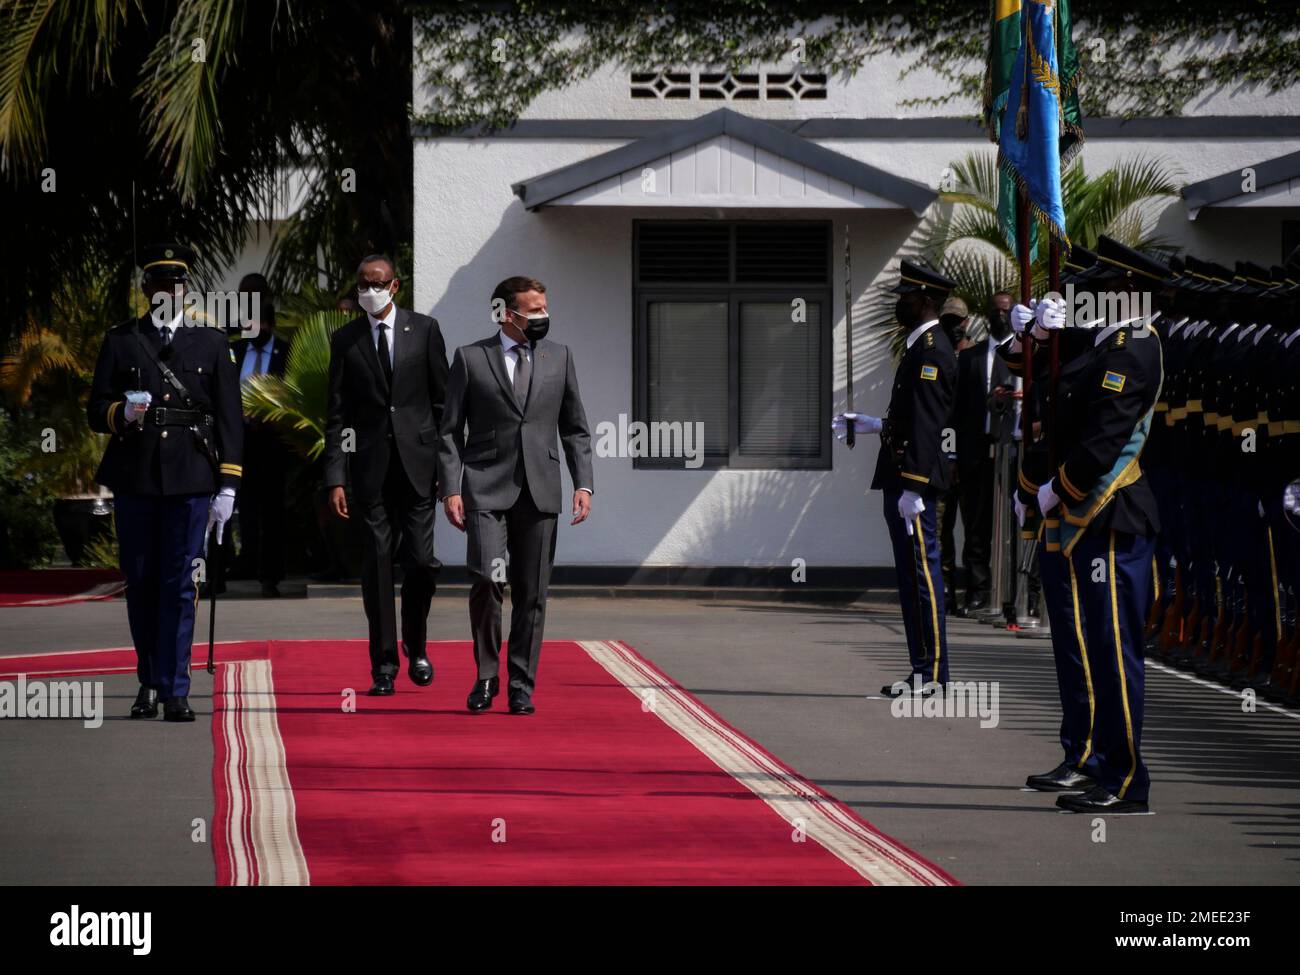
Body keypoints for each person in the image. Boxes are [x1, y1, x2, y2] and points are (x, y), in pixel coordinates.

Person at [1014, 236, 1165, 814]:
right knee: (1089, 646)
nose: (1087, 294)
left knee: (1111, 648)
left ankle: (1127, 780)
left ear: (1125, 293)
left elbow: (1103, 439)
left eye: (1102, 285)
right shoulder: (1105, 342)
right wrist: (1037, 335)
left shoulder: (1132, 348)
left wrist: (1053, 490)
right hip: (1086, 517)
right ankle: (1098, 763)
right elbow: (1052, 388)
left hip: (1110, 515)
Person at [87, 243, 243, 722]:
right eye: (158, 285)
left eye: (175, 286)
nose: (167, 293)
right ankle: (148, 682)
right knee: (142, 583)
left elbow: (230, 418)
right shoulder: (122, 340)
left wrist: (228, 486)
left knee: (179, 586)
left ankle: (176, 687)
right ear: (145, 290)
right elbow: (96, 409)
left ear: (184, 292)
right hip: (136, 477)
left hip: (192, 478)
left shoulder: (211, 343)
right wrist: (123, 414)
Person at [437, 275, 594, 715]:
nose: (543, 316)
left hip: (541, 489)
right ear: (507, 313)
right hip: (485, 487)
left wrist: (583, 483)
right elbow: (449, 432)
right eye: (534, 309)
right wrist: (450, 488)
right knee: (487, 579)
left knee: (532, 592)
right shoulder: (470, 358)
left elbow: (575, 427)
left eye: (545, 307)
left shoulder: (559, 357)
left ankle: (521, 684)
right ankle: (487, 675)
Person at [324, 255, 449, 695]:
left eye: (376, 283)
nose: (368, 290)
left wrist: (447, 472)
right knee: (377, 567)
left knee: (420, 563)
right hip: (369, 470)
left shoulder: (426, 330)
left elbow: (442, 407)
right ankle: (383, 666)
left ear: (395, 286)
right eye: (361, 284)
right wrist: (336, 476)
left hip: (418, 469)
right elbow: (337, 414)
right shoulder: (346, 339)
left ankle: (417, 646)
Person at [836, 260, 958, 696]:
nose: (899, 303)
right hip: (903, 475)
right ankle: (921, 669)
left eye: (906, 296)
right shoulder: (919, 347)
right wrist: (875, 424)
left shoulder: (932, 350)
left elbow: (929, 424)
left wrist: (914, 486)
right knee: (910, 577)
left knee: (924, 577)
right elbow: (909, 420)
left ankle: (935, 674)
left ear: (924, 300)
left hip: (914, 483)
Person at [952, 291, 1015, 616]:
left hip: (1012, 451)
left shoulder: (1024, 352)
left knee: (1014, 526)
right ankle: (977, 591)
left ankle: (1013, 595)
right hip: (975, 452)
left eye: (1006, 311)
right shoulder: (969, 358)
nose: (1000, 317)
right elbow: (955, 411)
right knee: (976, 525)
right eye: (995, 311)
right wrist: (953, 455)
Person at [230, 273, 290, 596]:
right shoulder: (235, 351)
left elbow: (293, 399)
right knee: (237, 507)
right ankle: (234, 566)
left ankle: (271, 575)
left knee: (272, 512)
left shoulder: (285, 353)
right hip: (237, 444)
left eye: (259, 326)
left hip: (271, 446)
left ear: (269, 325)